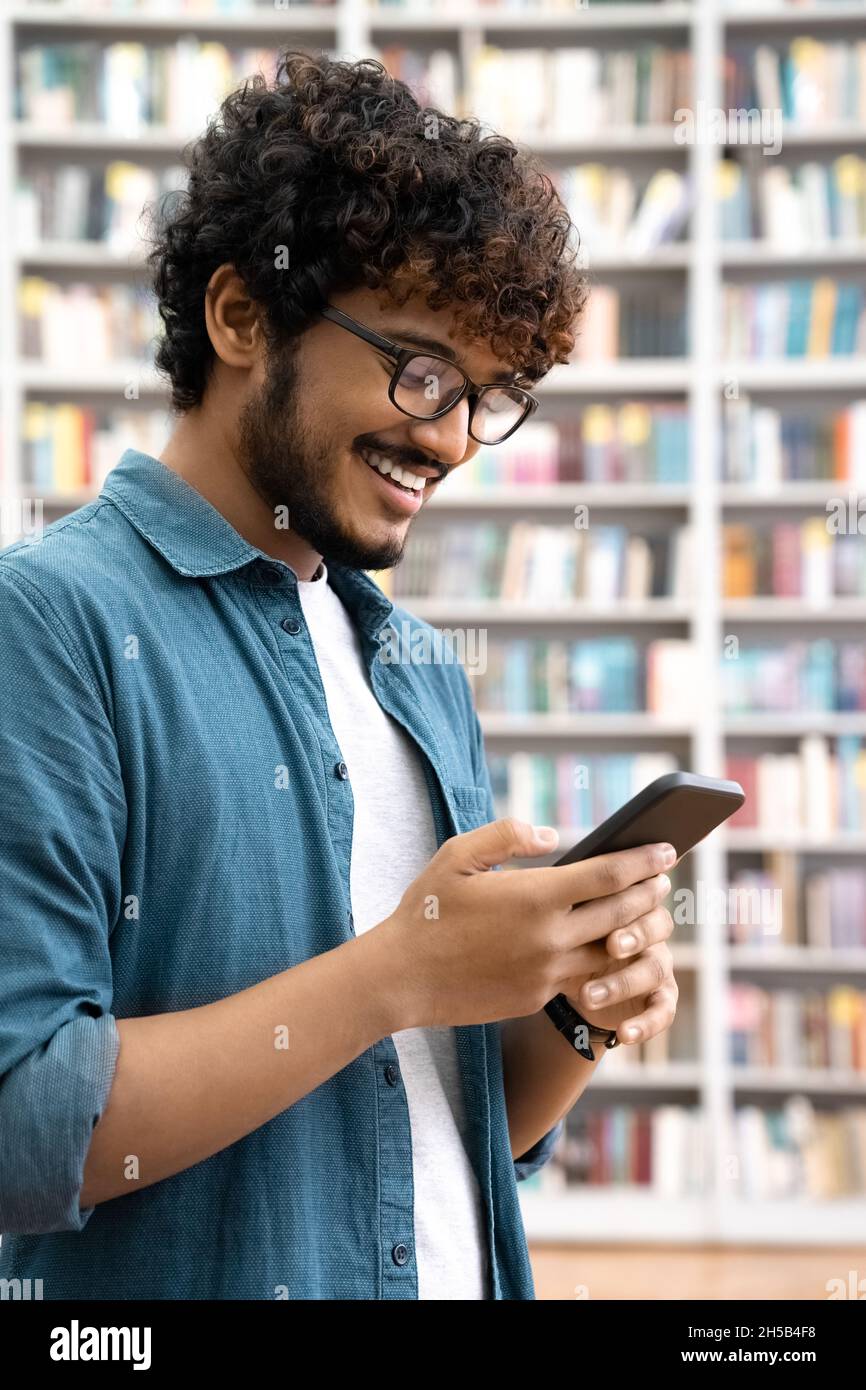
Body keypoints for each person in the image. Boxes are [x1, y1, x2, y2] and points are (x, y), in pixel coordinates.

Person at [0, 49, 676, 1300]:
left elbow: (443, 1138)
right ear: (241, 318)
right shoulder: (48, 624)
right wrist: (393, 974)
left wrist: (571, 1013)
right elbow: (25, 1121)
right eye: (421, 372)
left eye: (484, 398)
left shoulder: (416, 670)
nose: (450, 438)